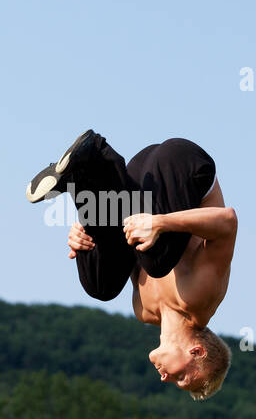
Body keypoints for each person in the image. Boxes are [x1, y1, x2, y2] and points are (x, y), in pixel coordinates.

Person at [26, 129, 237, 399]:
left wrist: (82, 235)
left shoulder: (144, 310)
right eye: (181, 377)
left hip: (137, 180)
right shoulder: (200, 299)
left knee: (102, 285)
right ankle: (97, 164)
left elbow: (118, 245)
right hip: (182, 165)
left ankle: (85, 172)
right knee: (157, 261)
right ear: (197, 352)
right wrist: (160, 223)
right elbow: (228, 221)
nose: (165, 378)